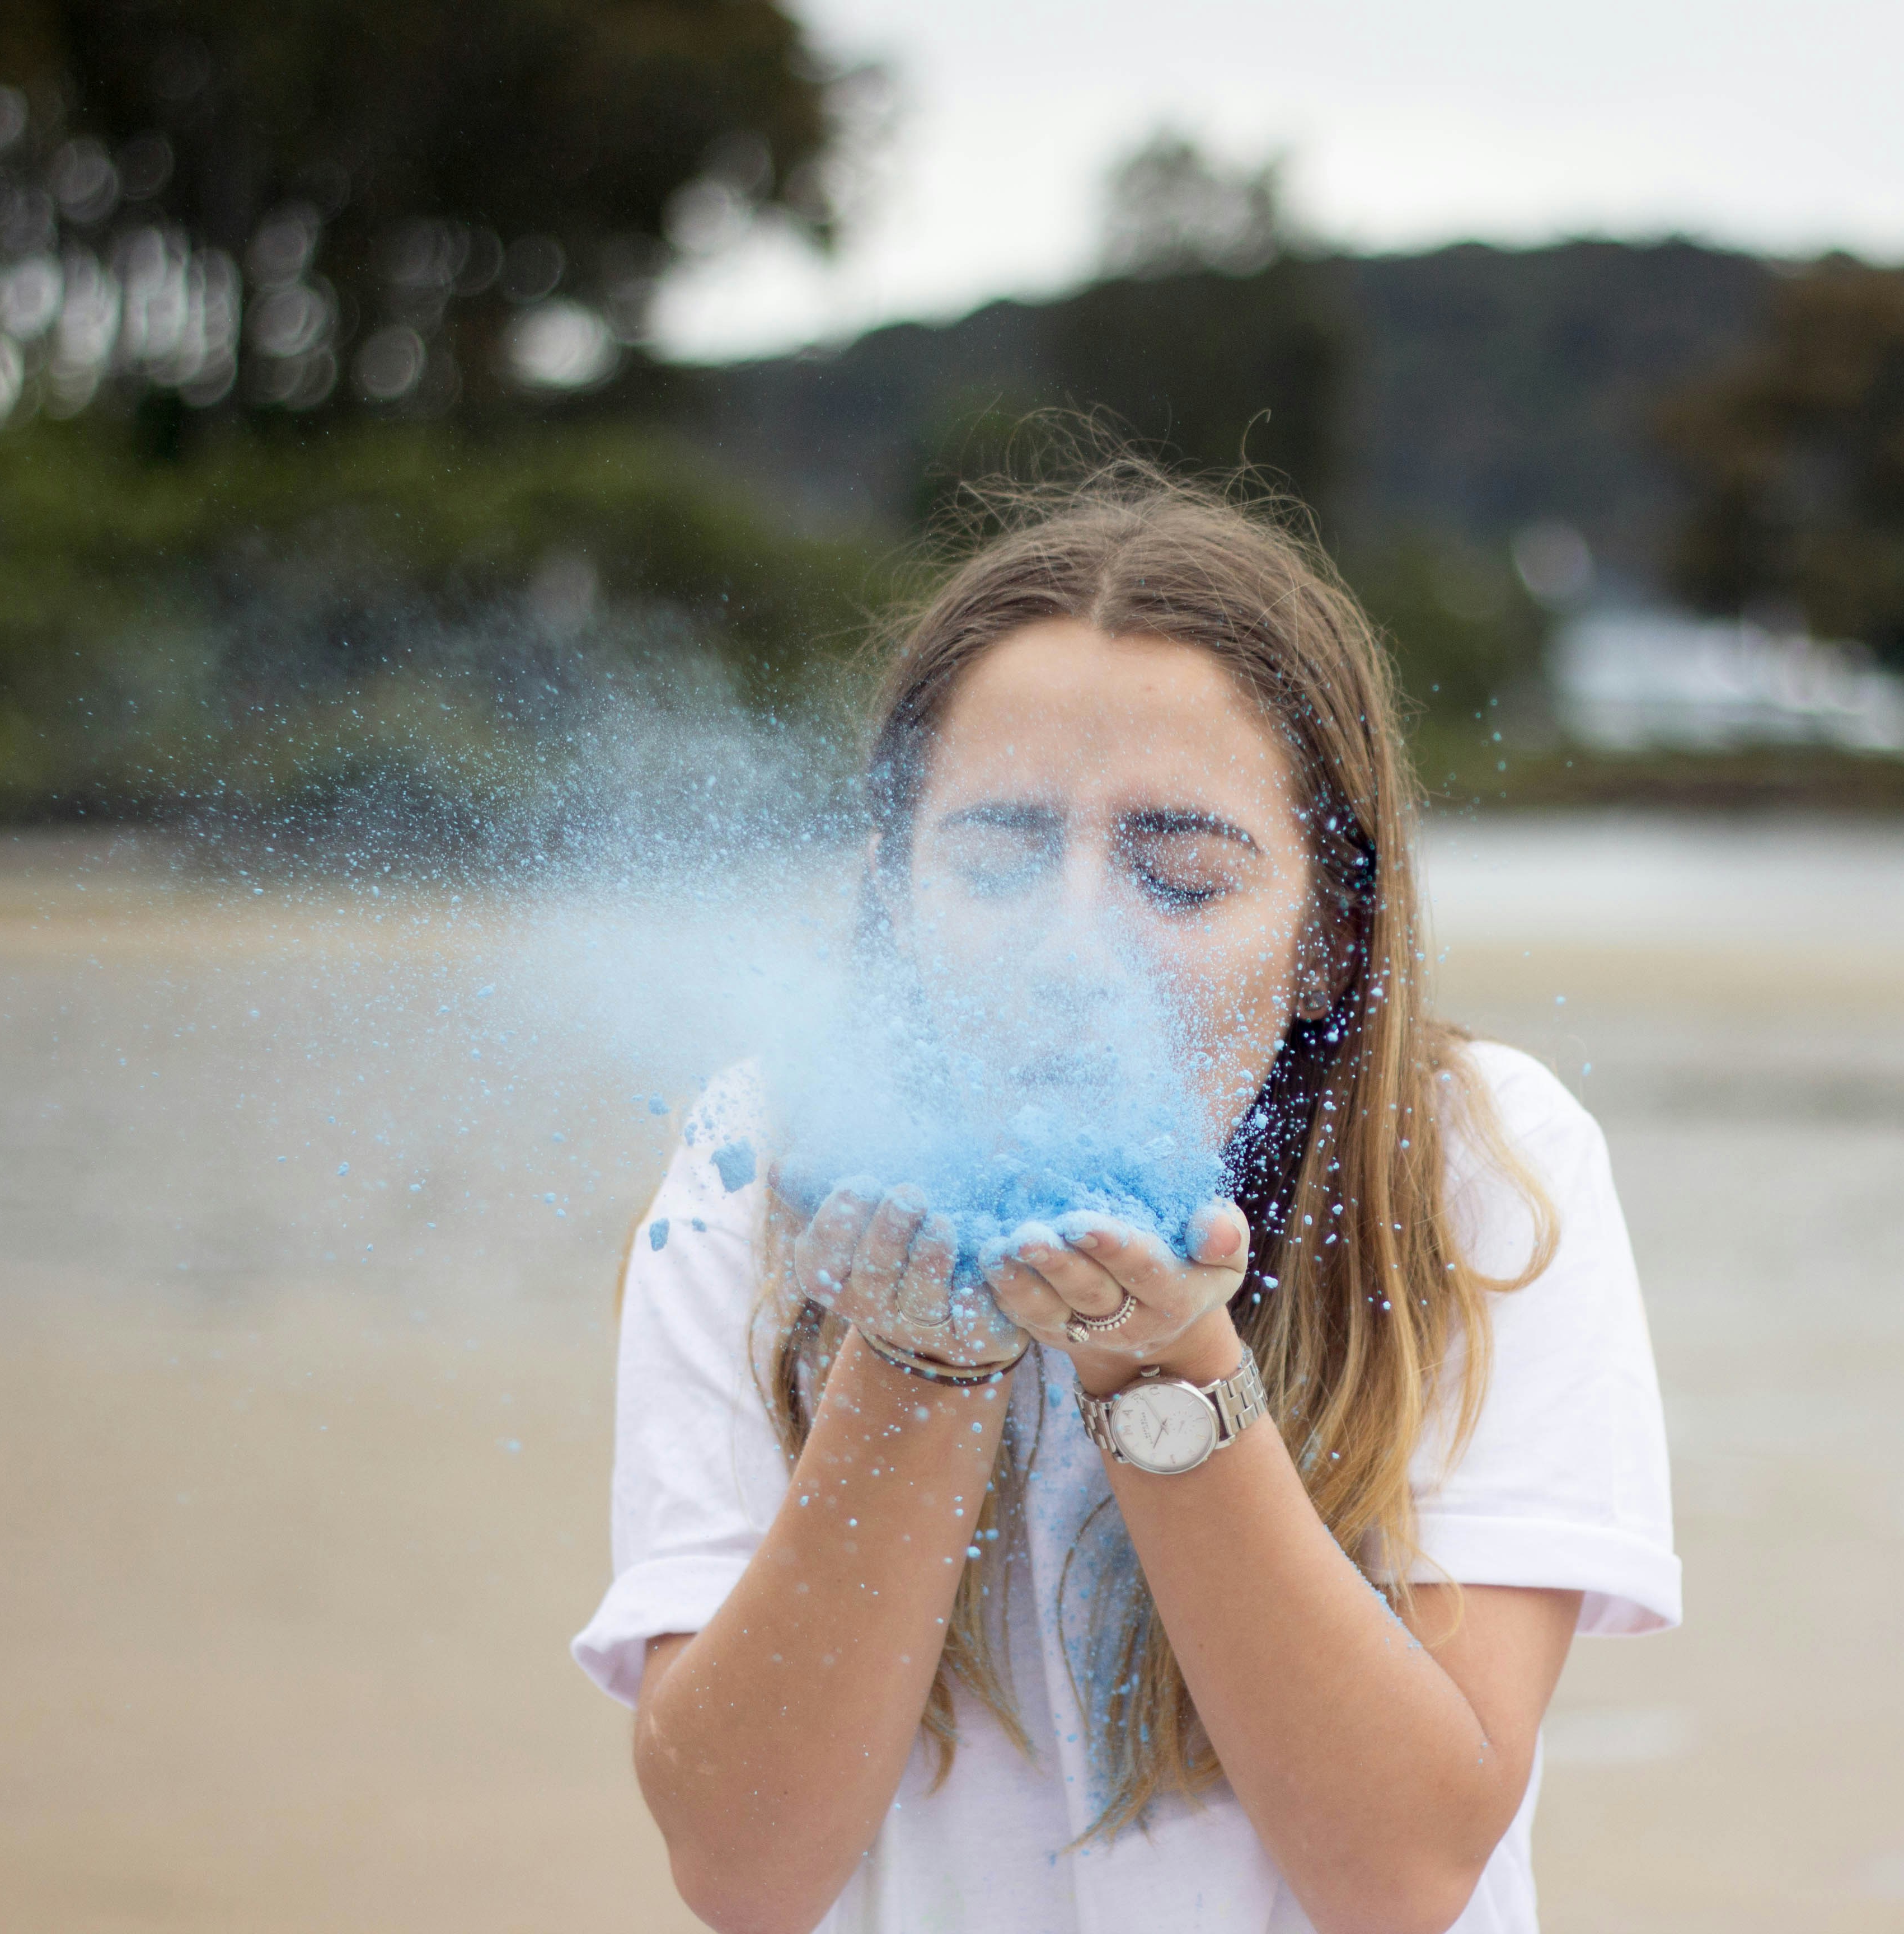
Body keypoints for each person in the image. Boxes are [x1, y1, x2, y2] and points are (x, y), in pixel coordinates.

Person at [572, 467, 1678, 1934]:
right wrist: (914, 1363)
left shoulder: (1483, 1159)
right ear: (897, 897)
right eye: (999, 854)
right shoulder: (759, 1156)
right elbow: (743, 1869)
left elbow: (1402, 1876)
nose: (1072, 946)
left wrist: (1165, 1370)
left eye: (1180, 875)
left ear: (1327, 946)